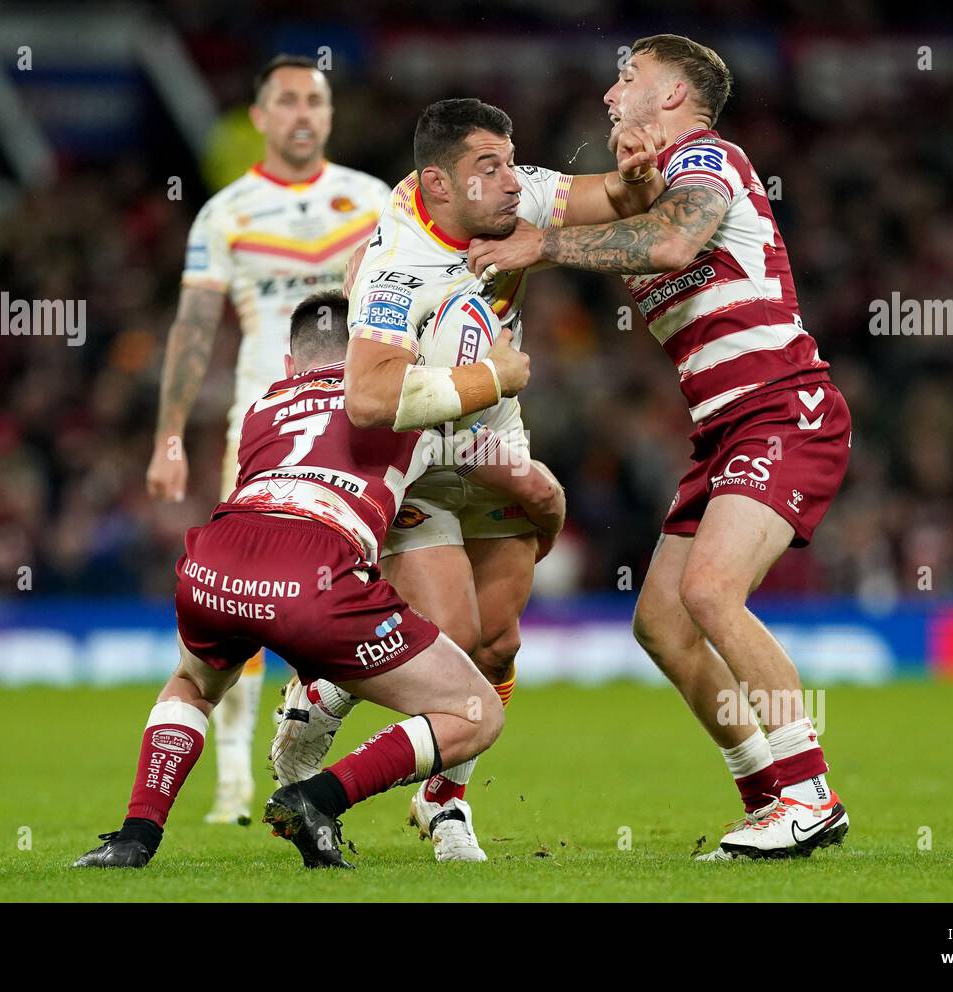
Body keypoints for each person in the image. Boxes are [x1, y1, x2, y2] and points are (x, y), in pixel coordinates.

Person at [464, 35, 851, 859]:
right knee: (664, 627)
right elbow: (649, 235)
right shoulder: (658, 189)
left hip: (783, 408)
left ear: (674, 94)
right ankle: (766, 796)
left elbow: (674, 246)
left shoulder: (713, 158)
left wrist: (543, 245)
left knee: (712, 594)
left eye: (627, 78)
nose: (610, 95)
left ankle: (810, 793)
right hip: (721, 430)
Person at [267, 97, 666, 861]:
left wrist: (638, 169)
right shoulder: (394, 266)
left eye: (511, 160)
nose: (512, 181)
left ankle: (444, 802)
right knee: (448, 645)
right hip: (416, 460)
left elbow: (616, 198)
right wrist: (495, 375)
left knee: (499, 645)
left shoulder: (511, 198)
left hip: (490, 449)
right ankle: (330, 689)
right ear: (438, 185)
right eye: (491, 168)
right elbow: (371, 399)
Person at [75, 291, 564, 869]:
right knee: (476, 713)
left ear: (290, 364)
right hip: (316, 573)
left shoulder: (266, 403)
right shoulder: (406, 403)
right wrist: (546, 520)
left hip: (216, 559)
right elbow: (536, 490)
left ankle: (134, 836)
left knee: (193, 685)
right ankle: (316, 798)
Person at [145, 54, 391, 826]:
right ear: (258, 116)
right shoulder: (226, 212)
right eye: (285, 101)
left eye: (314, 100)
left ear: (329, 114)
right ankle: (231, 780)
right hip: (264, 431)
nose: (302, 114)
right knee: (240, 599)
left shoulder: (374, 200)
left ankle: (354, 760)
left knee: (375, 583)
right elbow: (192, 329)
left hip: (360, 421)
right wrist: (169, 437)